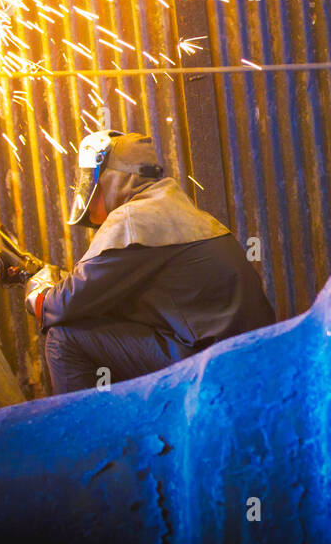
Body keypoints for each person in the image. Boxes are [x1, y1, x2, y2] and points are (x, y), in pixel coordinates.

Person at [24, 129, 276, 393]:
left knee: (64, 338)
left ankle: (89, 433)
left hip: (212, 364)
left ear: (112, 179)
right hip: (244, 353)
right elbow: (96, 291)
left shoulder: (134, 221)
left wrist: (36, 292)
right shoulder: (175, 210)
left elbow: (63, 306)